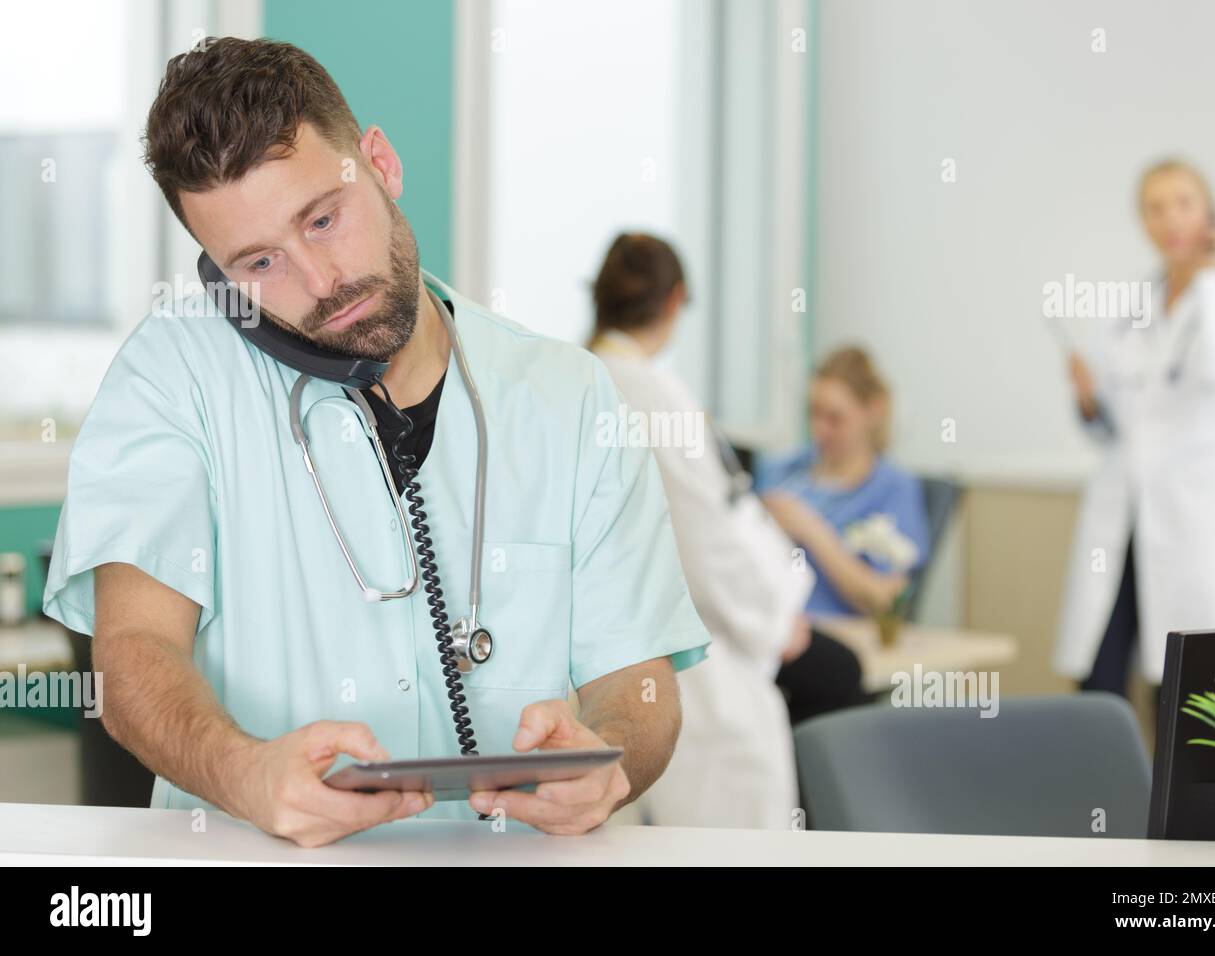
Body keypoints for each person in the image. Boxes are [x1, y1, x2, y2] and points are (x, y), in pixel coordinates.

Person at [40, 38, 711, 846]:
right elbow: (132, 653)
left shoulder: (567, 395)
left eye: (324, 219)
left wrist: (610, 762)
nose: (321, 284)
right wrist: (243, 771)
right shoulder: (167, 379)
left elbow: (639, 683)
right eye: (260, 262)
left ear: (380, 165)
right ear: (218, 277)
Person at [587, 233, 813, 829]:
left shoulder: (580, 380)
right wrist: (776, 616)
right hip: (696, 667)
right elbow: (709, 541)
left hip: (604, 672)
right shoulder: (654, 396)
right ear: (675, 300)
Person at [1056, 159, 1215, 697]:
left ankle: (1171, 786)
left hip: (1192, 518)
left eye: (1183, 203)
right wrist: (1089, 401)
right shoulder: (1127, 310)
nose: (1170, 218)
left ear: (1210, 213)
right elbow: (1116, 427)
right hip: (1123, 512)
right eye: (1155, 208)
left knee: (1186, 683)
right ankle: (1094, 782)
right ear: (1143, 221)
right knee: (1099, 672)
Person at [756, 347, 930, 724]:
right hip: (764, 629)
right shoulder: (780, 471)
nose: (821, 430)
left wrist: (811, 530)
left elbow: (886, 600)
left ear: (874, 410)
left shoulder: (892, 488)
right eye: (814, 415)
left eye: (835, 418)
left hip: (830, 645)